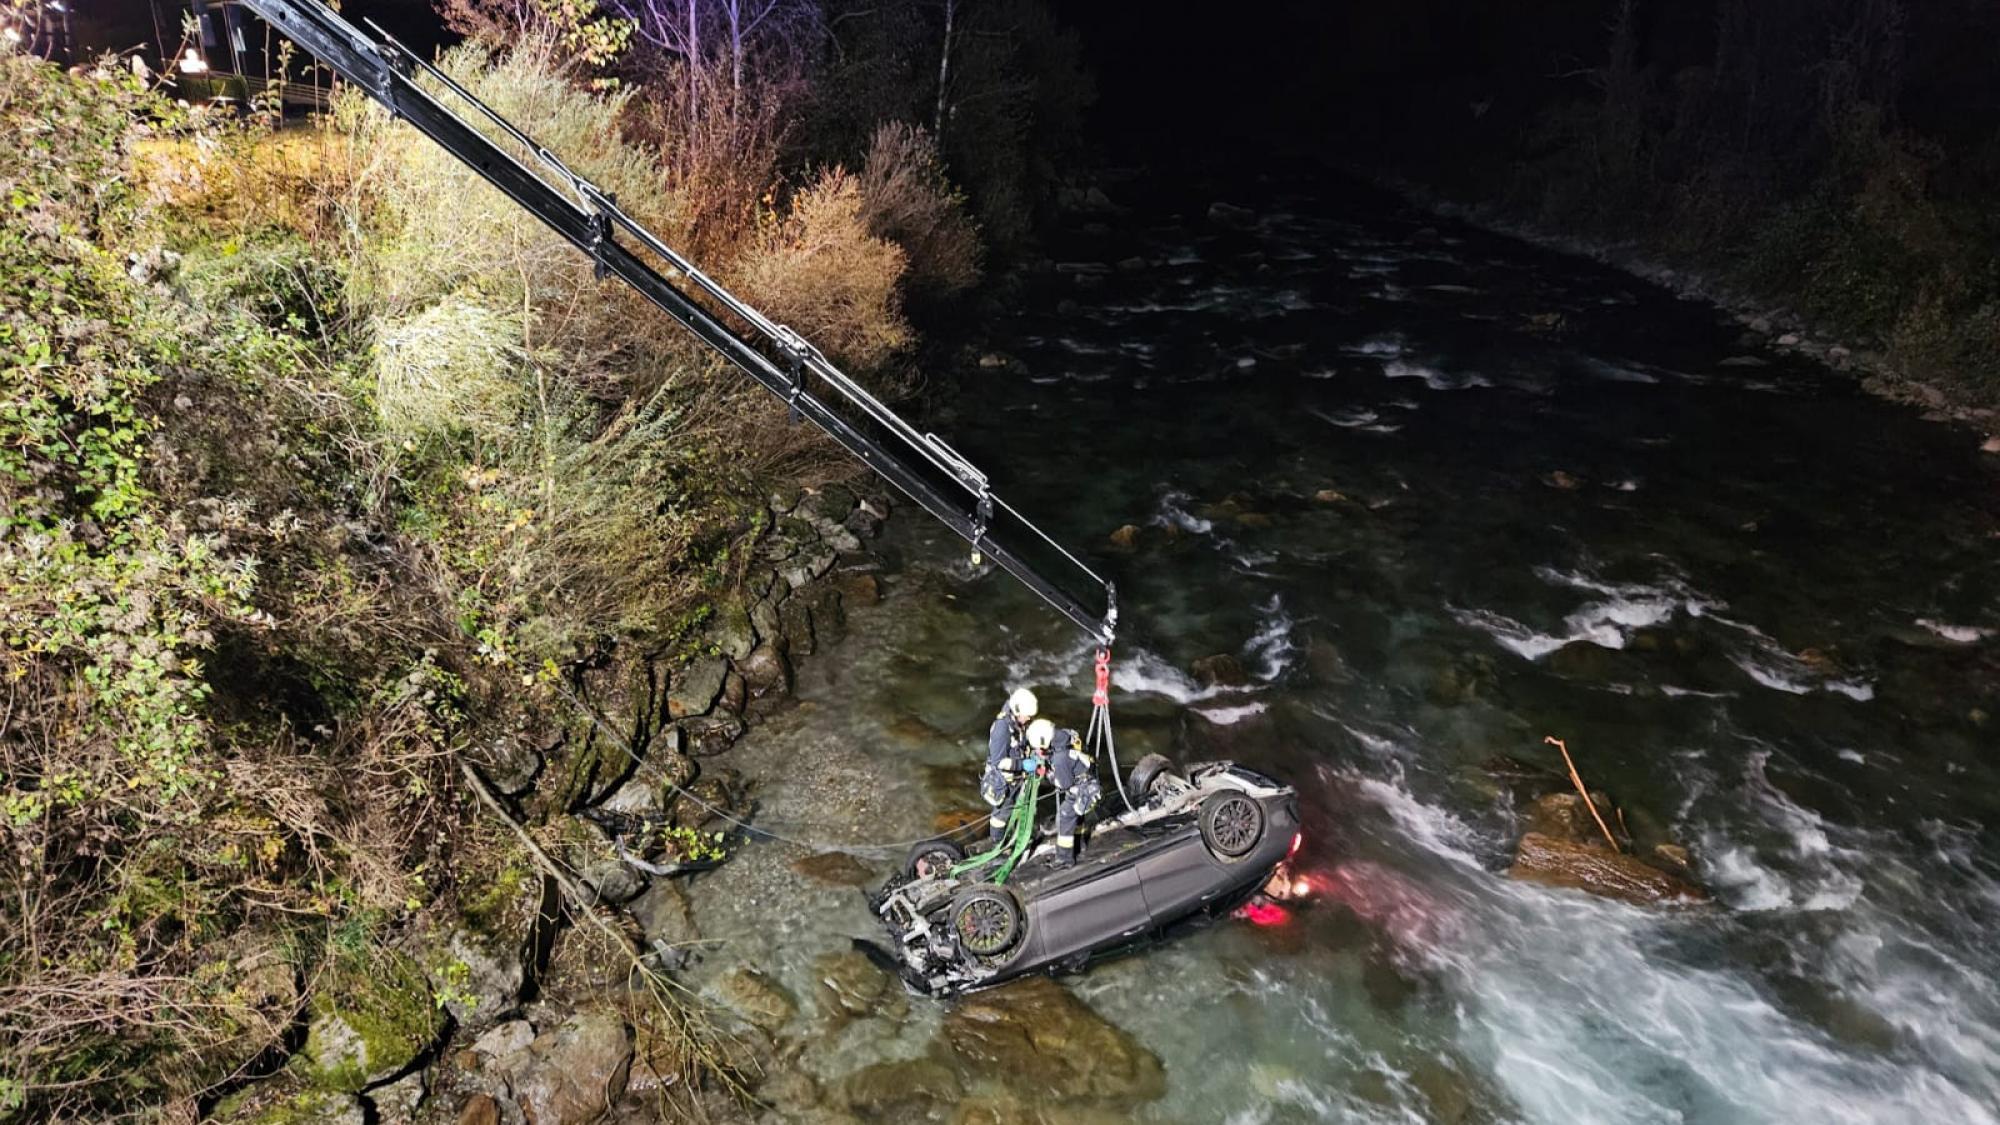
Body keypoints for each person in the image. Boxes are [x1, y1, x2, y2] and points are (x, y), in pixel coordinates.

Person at [1031, 719, 1101, 868]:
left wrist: (1046, 773)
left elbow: (1064, 784)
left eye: (1038, 747)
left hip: (1083, 790)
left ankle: (1064, 859)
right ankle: (1079, 844)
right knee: (1076, 817)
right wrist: (1046, 756)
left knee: (1064, 816)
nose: (1037, 749)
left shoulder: (1060, 759)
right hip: (1086, 782)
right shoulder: (1063, 736)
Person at [979, 687, 1039, 843]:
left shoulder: (1017, 722)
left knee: (1020, 807)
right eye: (1027, 715)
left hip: (1017, 779)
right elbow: (998, 762)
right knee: (1002, 814)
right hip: (1004, 782)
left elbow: (1021, 742)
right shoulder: (1002, 729)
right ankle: (997, 843)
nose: (1029, 719)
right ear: (1017, 710)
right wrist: (1023, 765)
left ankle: (1018, 835)